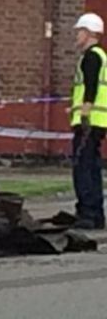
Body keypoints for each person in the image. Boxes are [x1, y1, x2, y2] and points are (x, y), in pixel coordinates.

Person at [71, 13, 107, 230]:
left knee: (82, 168)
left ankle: (88, 214)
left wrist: (84, 111)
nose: (77, 35)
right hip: (98, 121)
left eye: (80, 31)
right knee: (92, 167)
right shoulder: (101, 56)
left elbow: (91, 88)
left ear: (90, 33)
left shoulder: (91, 57)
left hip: (89, 122)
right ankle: (97, 214)